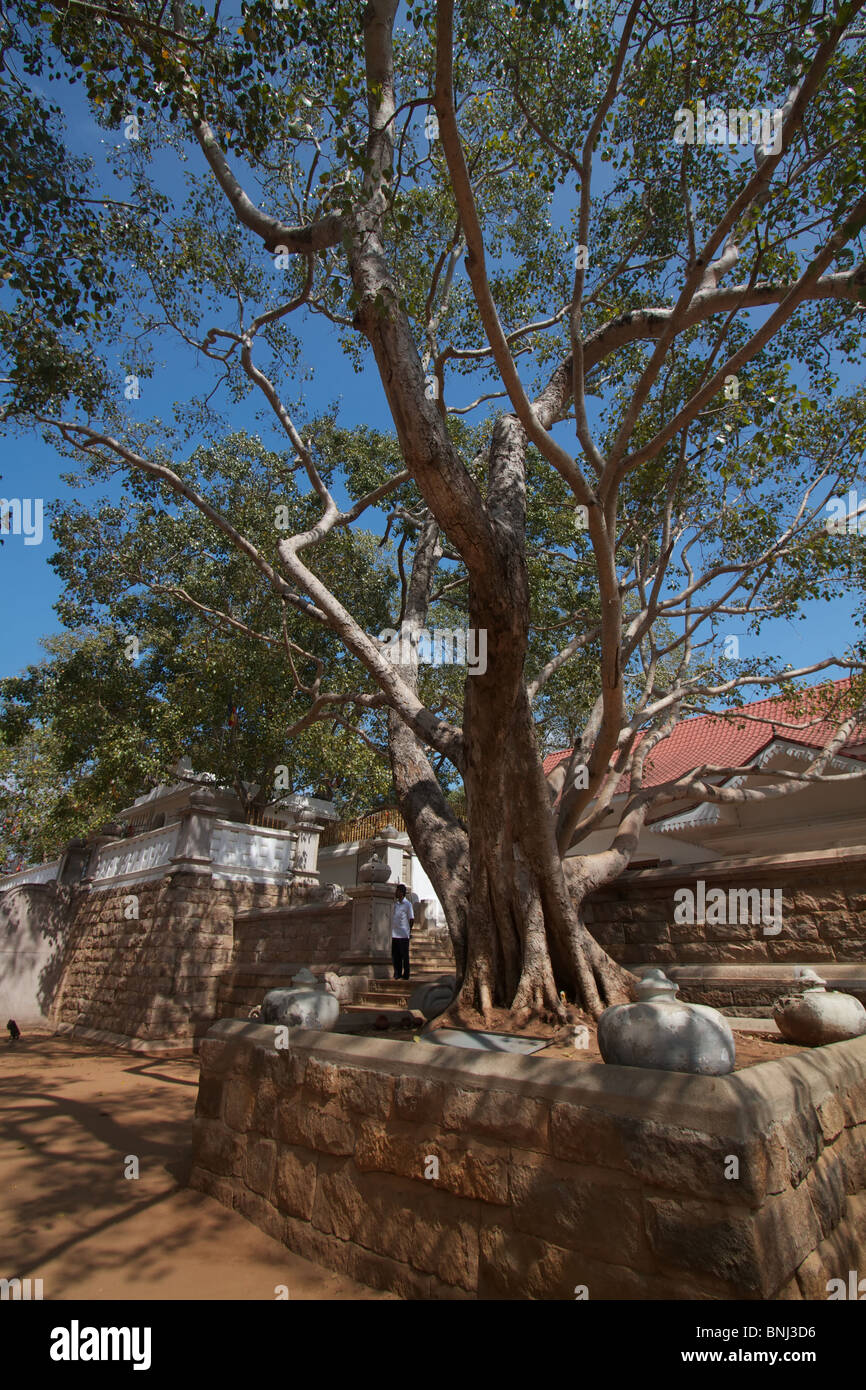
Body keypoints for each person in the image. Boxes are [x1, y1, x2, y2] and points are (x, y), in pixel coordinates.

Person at [391, 883, 414, 981]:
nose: (395, 893)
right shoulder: (395, 904)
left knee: (404, 956)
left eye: (397, 891)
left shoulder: (408, 904)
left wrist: (409, 930)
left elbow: (411, 918)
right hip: (394, 934)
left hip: (403, 934)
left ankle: (406, 974)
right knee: (396, 956)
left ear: (401, 892)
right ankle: (397, 973)